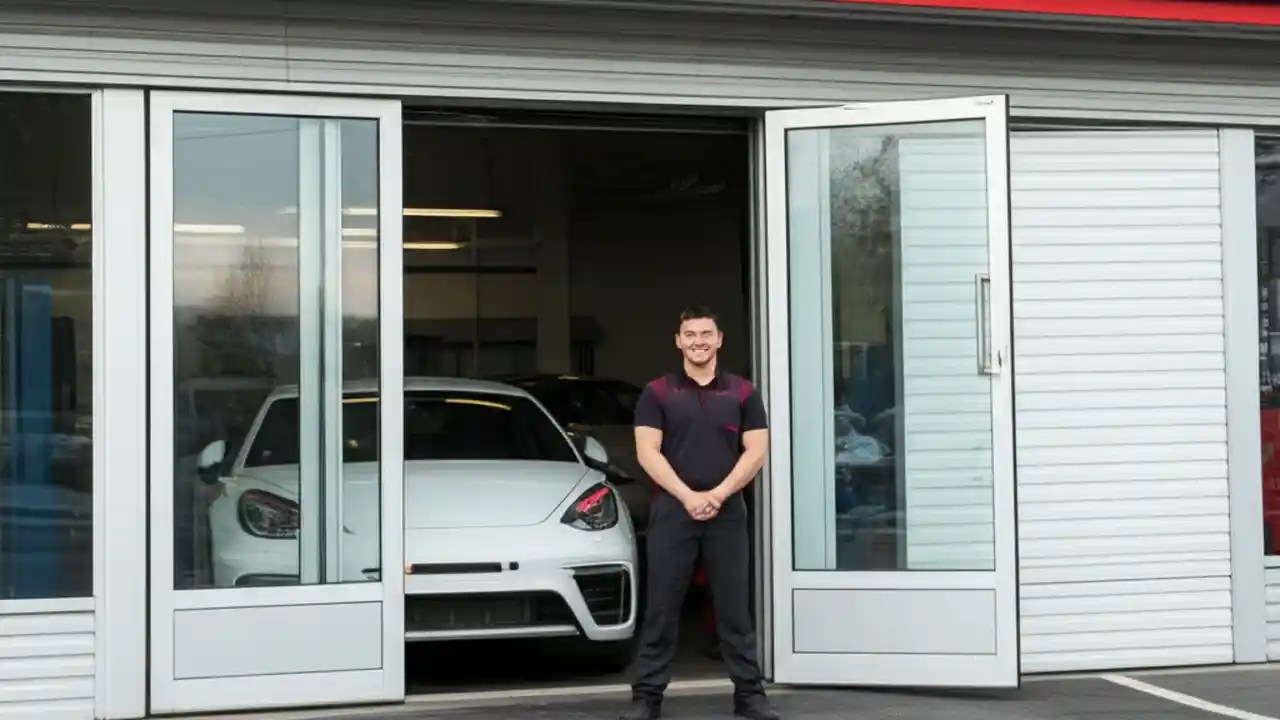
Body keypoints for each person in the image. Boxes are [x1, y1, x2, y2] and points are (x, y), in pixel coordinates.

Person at [618, 306, 779, 720]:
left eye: (706, 334)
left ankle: (750, 696)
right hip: (673, 510)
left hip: (726, 512)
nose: (698, 341)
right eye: (690, 335)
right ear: (678, 341)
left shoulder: (744, 392)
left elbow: (757, 451)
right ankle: (647, 698)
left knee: (734, 609)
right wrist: (688, 496)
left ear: (720, 339)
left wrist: (720, 493)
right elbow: (646, 452)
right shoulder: (657, 393)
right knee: (662, 606)